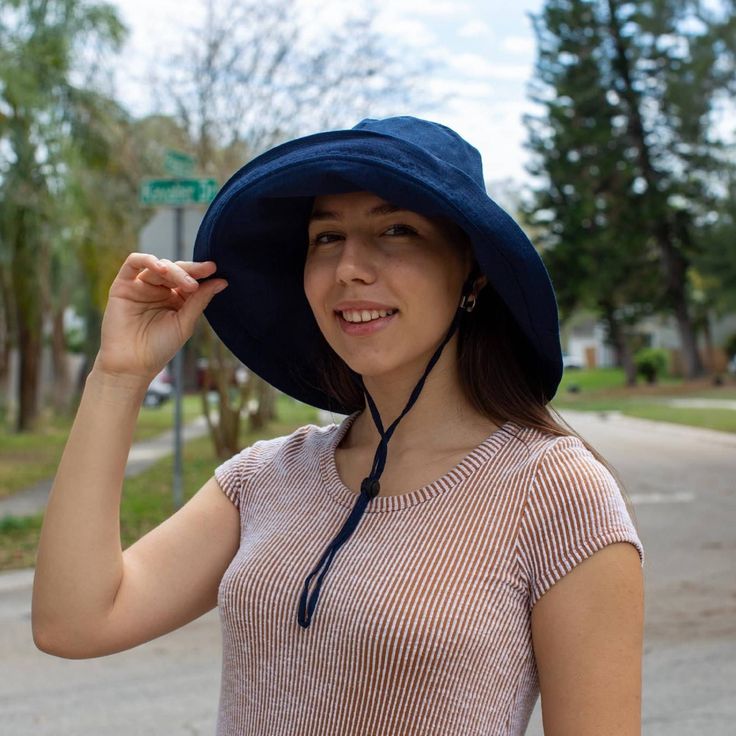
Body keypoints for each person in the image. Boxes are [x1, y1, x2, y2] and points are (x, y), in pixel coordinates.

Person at [33, 116, 645, 735]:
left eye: (396, 230)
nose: (349, 267)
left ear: (473, 270)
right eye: (326, 237)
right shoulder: (264, 479)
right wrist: (118, 375)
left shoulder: (557, 492)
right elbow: (75, 621)